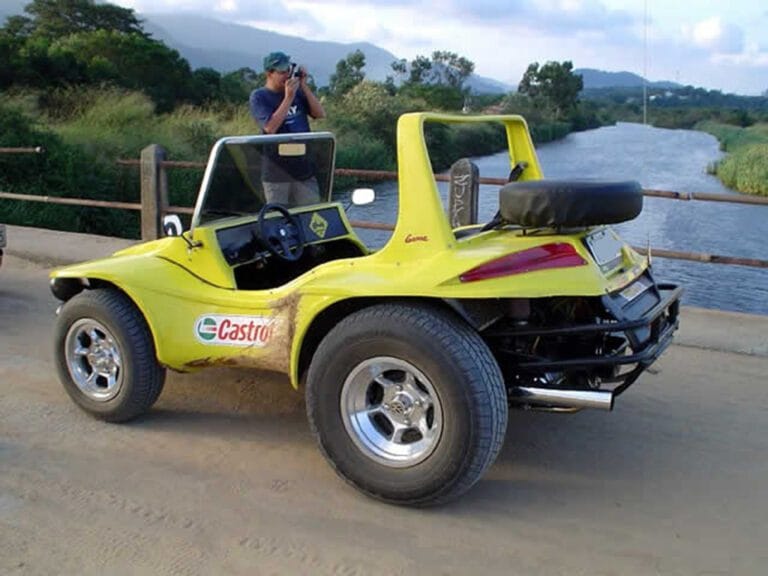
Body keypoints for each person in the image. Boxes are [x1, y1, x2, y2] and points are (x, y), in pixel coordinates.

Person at [249, 51, 326, 206]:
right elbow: (270, 128)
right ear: (269, 73)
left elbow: (319, 114)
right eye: (282, 72)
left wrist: (303, 86)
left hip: (304, 170)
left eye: (288, 71)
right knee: (279, 219)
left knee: (311, 216)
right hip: (276, 173)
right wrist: (288, 98)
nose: (287, 75)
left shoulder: (298, 92)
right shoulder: (259, 96)